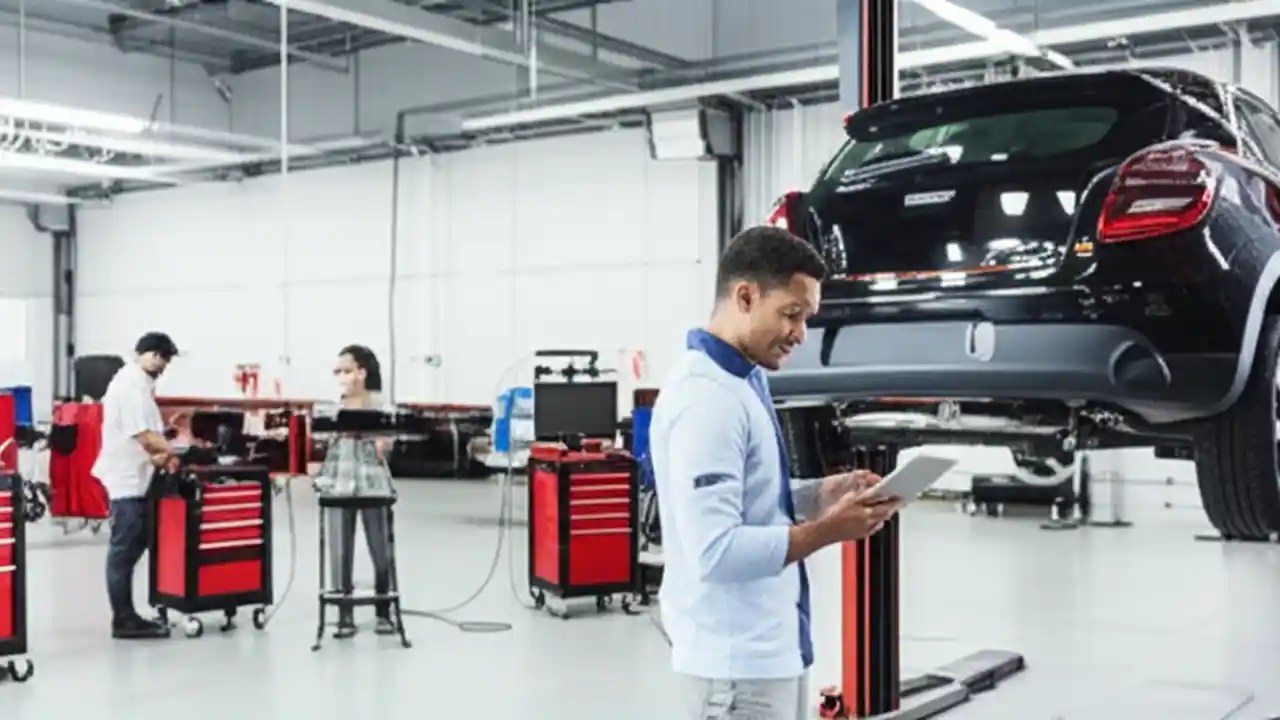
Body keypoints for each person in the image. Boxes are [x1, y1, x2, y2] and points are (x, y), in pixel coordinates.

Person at [651, 226, 904, 720]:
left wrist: (818, 495)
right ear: (745, 297)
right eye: (791, 314)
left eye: (806, 318)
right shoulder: (708, 399)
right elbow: (715, 552)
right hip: (734, 677)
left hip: (767, 658)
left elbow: (754, 501)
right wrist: (829, 531)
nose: (800, 333)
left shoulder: (743, 380)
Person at [94, 331, 180, 640]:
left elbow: (148, 434)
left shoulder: (139, 385)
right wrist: (176, 452)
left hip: (137, 478)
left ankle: (128, 614)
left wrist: (164, 445)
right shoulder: (129, 386)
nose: (164, 367)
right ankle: (123, 619)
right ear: (152, 355)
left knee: (133, 547)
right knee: (123, 551)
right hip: (126, 481)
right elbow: (143, 435)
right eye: (163, 359)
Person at [317, 344, 396, 638]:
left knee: (381, 549)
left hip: (373, 486)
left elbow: (389, 443)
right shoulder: (332, 407)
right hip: (339, 485)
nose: (341, 377)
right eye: (337, 372)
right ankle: (344, 614)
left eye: (347, 371)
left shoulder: (380, 405)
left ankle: (384, 612)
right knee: (340, 551)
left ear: (361, 373)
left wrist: (381, 440)